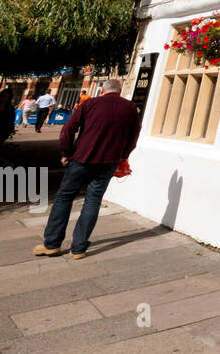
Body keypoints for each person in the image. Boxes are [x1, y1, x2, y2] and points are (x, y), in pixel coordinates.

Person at [33, 78, 141, 260]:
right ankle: (79, 248)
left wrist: (65, 152)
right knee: (92, 201)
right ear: (120, 90)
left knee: (64, 198)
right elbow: (134, 135)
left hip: (82, 158)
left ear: (102, 90)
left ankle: (52, 244)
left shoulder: (90, 103)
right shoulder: (129, 108)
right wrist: (124, 155)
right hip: (108, 161)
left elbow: (68, 129)